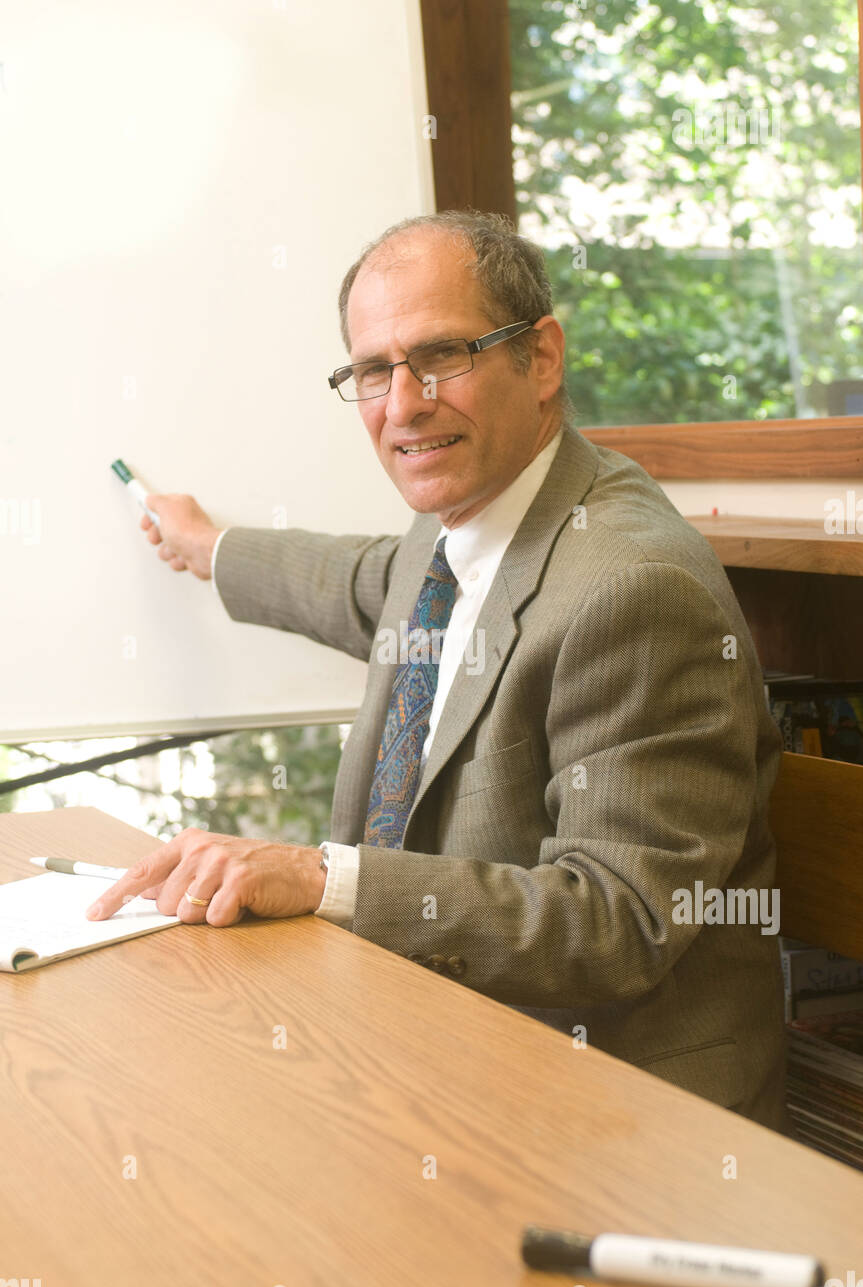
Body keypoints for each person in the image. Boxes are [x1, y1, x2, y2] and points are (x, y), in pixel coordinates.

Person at [88, 210, 787, 1130]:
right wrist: (208, 545)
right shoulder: (463, 523)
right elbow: (359, 580)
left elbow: (616, 922)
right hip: (435, 1044)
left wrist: (321, 877)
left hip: (616, 1112)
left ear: (540, 359)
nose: (404, 403)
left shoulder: (633, 587)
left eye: (441, 355)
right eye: (373, 371)